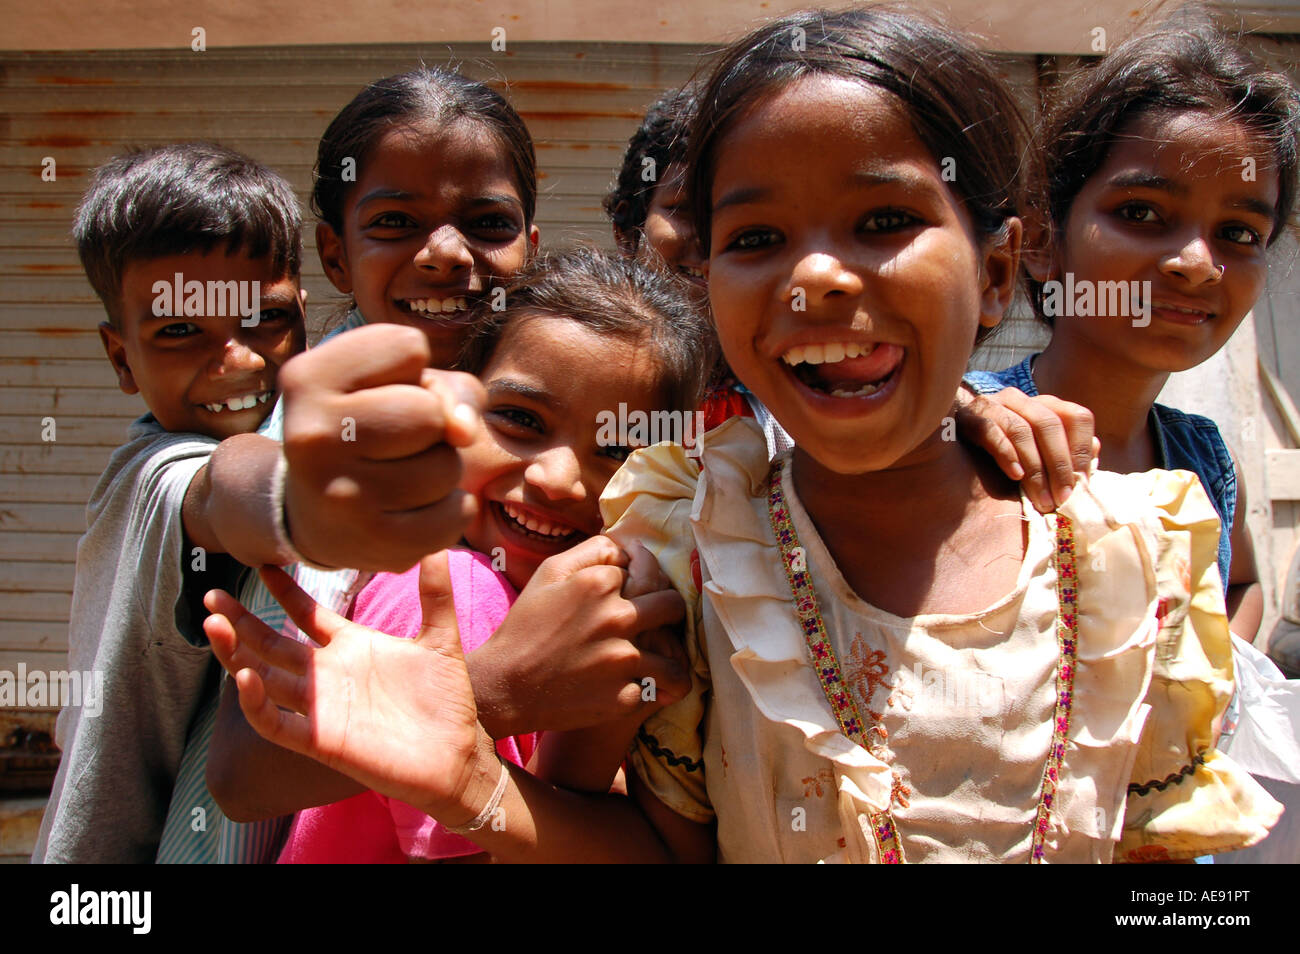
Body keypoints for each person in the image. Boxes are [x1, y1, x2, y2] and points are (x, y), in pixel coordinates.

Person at [203, 7, 1282, 863]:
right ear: (704, 276)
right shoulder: (684, 539)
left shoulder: (1133, 545)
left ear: (1000, 267)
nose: (815, 273)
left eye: (882, 221)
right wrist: (479, 771)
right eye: (756, 235)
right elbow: (656, 846)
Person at [962, 10, 1300, 860]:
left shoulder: (1203, 457)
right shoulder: (973, 437)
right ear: (1039, 242)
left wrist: (1217, 667)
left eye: (1240, 232)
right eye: (1144, 211)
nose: (1196, 261)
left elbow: (1241, 579)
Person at [259, 247, 712, 862]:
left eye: (616, 449)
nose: (557, 478)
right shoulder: (455, 593)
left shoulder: (605, 611)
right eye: (520, 420)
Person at [31, 143, 311, 863]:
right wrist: (330, 497)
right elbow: (234, 489)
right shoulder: (151, 475)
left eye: (264, 319)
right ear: (121, 358)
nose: (241, 360)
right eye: (182, 331)